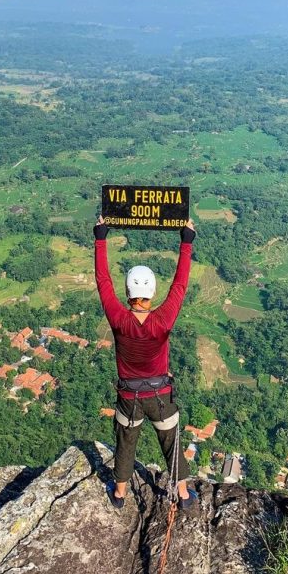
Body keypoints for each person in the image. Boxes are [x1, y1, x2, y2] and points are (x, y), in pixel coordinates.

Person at [94, 214, 198, 509]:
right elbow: (180, 285)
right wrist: (186, 242)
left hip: (129, 396)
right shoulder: (162, 321)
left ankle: (119, 494)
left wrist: (100, 237)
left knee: (126, 442)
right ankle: (184, 495)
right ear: (151, 292)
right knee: (170, 441)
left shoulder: (118, 319)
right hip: (160, 395)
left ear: (128, 292)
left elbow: (103, 281)